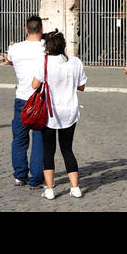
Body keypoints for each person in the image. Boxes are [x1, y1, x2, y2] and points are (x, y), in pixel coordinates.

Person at [30, 30, 87, 200]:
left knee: (49, 151)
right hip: (70, 110)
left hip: (49, 112)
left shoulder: (44, 62)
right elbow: (81, 86)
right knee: (67, 149)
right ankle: (75, 188)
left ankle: (49, 190)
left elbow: (34, 85)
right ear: (63, 45)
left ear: (47, 46)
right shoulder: (76, 62)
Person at [2, 14, 46, 190]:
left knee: (19, 139)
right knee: (39, 139)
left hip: (21, 98)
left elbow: (9, 61)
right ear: (41, 30)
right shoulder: (46, 48)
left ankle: (20, 175)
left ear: (25, 30)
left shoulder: (15, 48)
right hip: (40, 99)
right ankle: (36, 178)